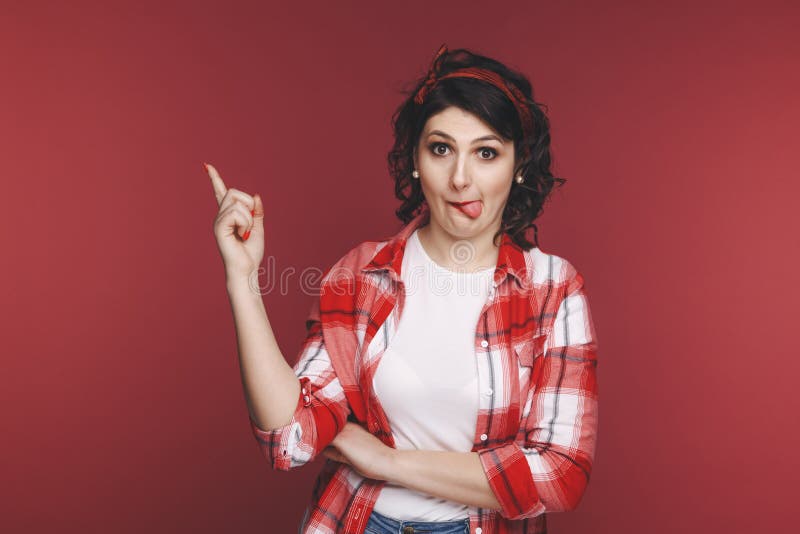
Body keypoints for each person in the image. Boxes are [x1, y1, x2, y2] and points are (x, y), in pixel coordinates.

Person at [207, 43, 599, 534]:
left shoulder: (553, 290)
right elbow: (288, 439)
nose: (461, 178)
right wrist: (243, 279)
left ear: (518, 166)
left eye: (486, 152)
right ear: (415, 159)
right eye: (441, 149)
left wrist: (385, 462)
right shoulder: (361, 275)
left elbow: (561, 475)